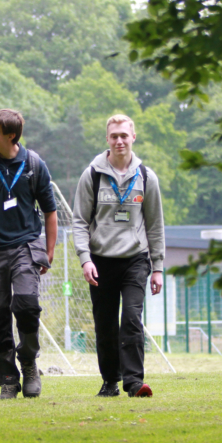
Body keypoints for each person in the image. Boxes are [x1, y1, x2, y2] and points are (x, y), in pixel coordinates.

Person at [0, 109, 58, 400]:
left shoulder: (34, 164)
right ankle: (7, 379)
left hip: (26, 246)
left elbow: (50, 211)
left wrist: (50, 251)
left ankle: (29, 363)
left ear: (10, 136)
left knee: (27, 305)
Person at [71, 114, 165, 398]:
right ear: (107, 139)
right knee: (106, 324)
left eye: (124, 135)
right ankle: (110, 380)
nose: (120, 140)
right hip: (100, 260)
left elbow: (155, 225)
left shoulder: (147, 177)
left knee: (132, 319)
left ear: (133, 137)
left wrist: (158, 266)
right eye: (114, 136)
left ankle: (135, 383)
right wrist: (85, 259)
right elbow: (79, 222)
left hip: (136, 260)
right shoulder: (92, 174)